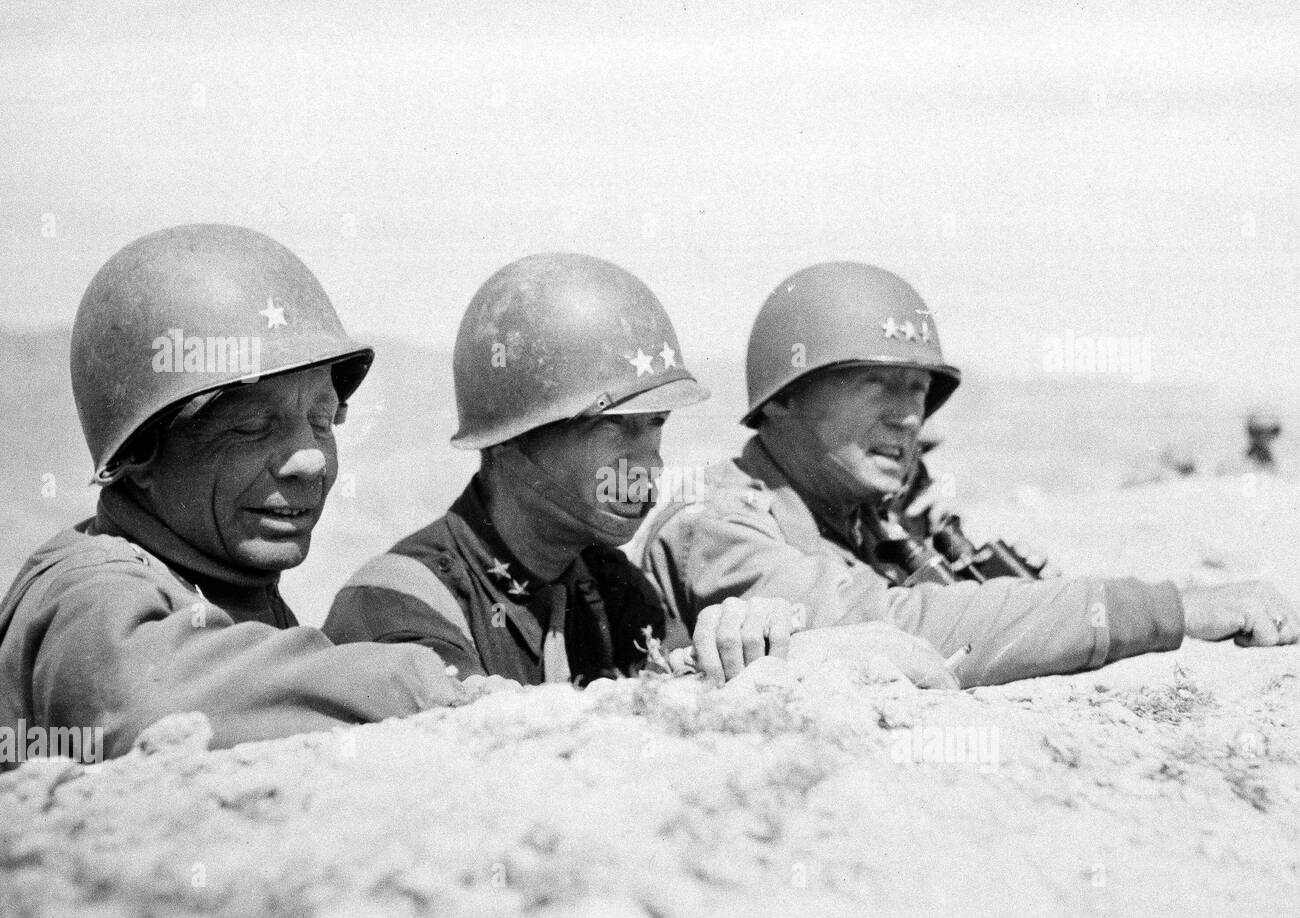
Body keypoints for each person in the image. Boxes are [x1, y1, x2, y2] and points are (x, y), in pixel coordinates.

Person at [639, 261, 1298, 687]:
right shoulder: (720, 521)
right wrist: (1170, 609)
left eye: (918, 389)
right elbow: (891, 632)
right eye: (876, 385)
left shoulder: (864, 517)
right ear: (782, 398)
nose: (907, 416)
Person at [0, 225, 462, 769]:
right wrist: (419, 682)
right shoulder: (92, 592)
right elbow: (144, 708)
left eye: (321, 421)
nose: (310, 460)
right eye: (251, 428)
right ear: (143, 450)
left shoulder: (223, 581)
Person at [324, 253, 895, 686]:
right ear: (514, 439)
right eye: (613, 428)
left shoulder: (612, 588)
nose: (647, 468)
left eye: (656, 427)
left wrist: (760, 647)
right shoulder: (400, 603)